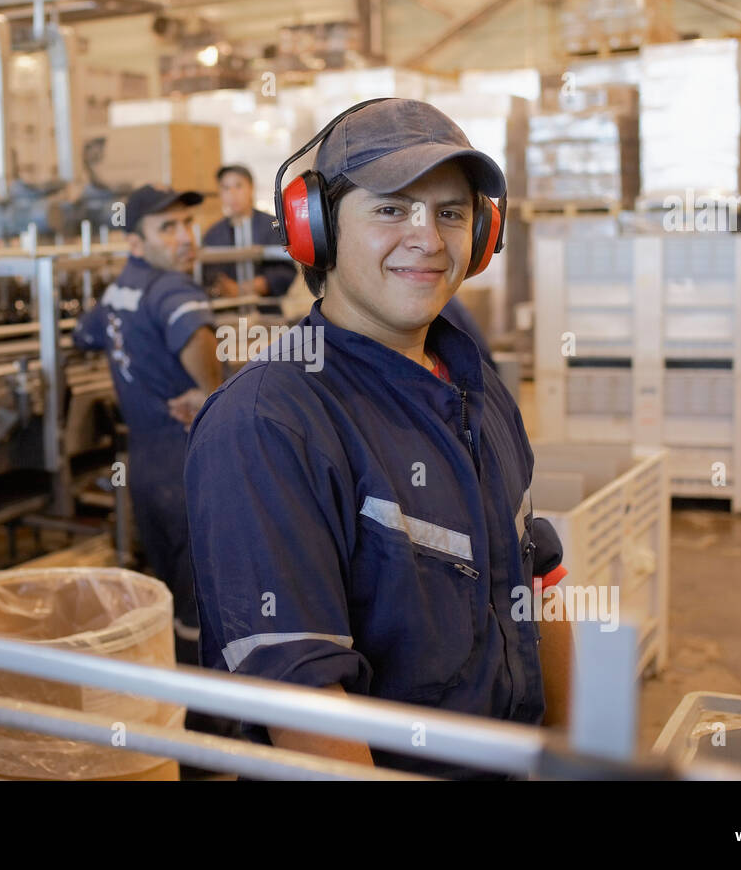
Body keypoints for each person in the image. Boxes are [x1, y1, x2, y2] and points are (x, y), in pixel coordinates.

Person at [184, 99, 571, 778]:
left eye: (451, 212)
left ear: (483, 237)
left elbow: (538, 582)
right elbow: (301, 700)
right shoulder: (269, 426)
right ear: (316, 231)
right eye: (391, 208)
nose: (428, 238)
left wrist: (572, 760)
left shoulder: (475, 386)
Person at [72, 185, 222, 666]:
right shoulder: (174, 287)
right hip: (186, 456)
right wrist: (209, 392)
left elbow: (86, 334)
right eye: (168, 228)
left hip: (145, 462)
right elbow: (196, 333)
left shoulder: (120, 289)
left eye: (186, 224)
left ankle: (173, 692)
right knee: (203, 588)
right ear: (136, 242)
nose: (184, 237)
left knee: (169, 584)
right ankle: (211, 714)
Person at [201, 165, 297, 302]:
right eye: (226, 188)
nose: (232, 194)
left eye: (238, 186)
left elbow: (286, 272)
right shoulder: (213, 234)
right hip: (226, 310)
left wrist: (243, 289)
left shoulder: (273, 225)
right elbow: (208, 276)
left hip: (267, 309)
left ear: (251, 188)